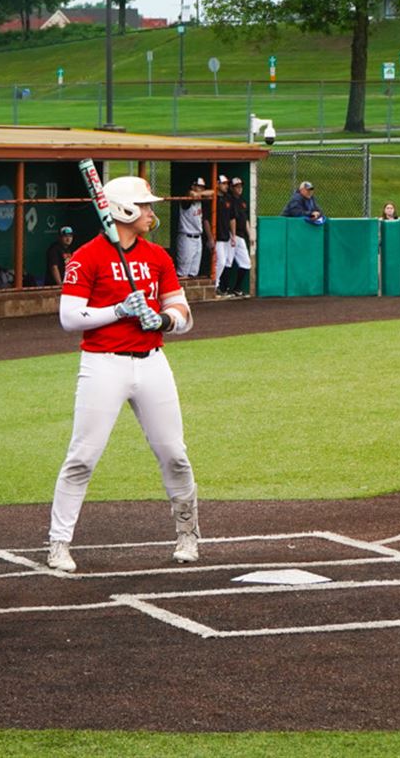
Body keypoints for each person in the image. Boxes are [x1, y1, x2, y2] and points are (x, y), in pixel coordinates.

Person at [46, 175, 199, 574]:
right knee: (82, 457)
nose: (150, 212)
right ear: (123, 210)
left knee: (174, 454)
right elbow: (69, 318)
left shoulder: (157, 257)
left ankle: (188, 533)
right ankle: (59, 543)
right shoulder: (87, 257)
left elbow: (183, 313)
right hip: (103, 363)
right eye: (144, 205)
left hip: (152, 362)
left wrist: (162, 319)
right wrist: (119, 311)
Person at [219, 177, 252, 297]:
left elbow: (246, 219)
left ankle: (236, 288)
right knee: (227, 261)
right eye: (237, 186)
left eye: (240, 186)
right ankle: (224, 289)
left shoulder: (242, 201)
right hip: (232, 235)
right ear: (232, 188)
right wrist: (232, 234)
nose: (239, 188)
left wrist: (250, 234)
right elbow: (230, 218)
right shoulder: (229, 199)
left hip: (241, 236)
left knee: (246, 263)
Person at [174, 178, 214, 277]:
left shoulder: (200, 200)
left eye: (202, 188)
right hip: (186, 237)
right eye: (199, 187)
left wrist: (201, 193)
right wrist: (199, 194)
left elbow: (213, 192)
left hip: (198, 238)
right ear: (193, 186)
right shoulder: (187, 198)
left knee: (194, 271)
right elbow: (192, 194)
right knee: (183, 272)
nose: (201, 189)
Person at [212, 175, 235, 294]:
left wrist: (233, 235)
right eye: (224, 183)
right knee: (220, 261)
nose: (226, 186)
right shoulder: (214, 198)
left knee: (225, 261)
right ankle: (215, 285)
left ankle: (218, 286)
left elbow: (232, 218)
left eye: (227, 184)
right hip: (217, 236)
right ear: (217, 184)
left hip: (226, 235)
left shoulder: (228, 198)